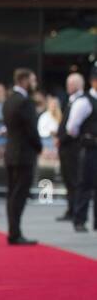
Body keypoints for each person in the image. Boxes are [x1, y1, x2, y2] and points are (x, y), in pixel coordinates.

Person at [3, 68, 42, 245]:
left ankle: (13, 231)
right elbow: (31, 130)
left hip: (11, 153)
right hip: (24, 155)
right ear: (24, 80)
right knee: (19, 195)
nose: (34, 84)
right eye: (32, 80)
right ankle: (15, 233)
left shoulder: (9, 100)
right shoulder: (25, 102)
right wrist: (39, 147)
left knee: (12, 194)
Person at [67, 65, 97, 233]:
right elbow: (72, 127)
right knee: (85, 184)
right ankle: (79, 219)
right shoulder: (84, 101)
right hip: (89, 147)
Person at [57, 72, 85, 223]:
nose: (68, 86)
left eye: (70, 84)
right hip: (66, 146)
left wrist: (62, 138)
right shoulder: (71, 101)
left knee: (74, 179)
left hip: (73, 147)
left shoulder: (80, 101)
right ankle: (71, 208)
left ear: (77, 85)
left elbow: (73, 127)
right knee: (68, 179)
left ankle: (75, 209)